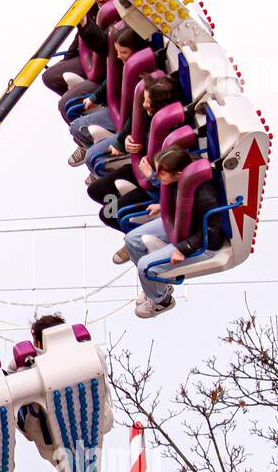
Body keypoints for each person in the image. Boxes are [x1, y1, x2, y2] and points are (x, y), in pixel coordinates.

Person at [122, 148, 226, 319]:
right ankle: (159, 287)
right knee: (132, 239)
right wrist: (163, 206)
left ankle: (162, 300)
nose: (158, 177)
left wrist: (183, 248)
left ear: (178, 174)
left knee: (145, 266)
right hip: (180, 223)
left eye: (161, 175)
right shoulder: (184, 172)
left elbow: (211, 231)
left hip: (202, 243)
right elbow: (178, 196)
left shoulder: (205, 194)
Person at [87, 75, 184, 238]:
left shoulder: (176, 136)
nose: (144, 104)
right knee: (96, 190)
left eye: (148, 102)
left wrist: (152, 176)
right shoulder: (148, 113)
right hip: (139, 170)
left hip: (156, 186)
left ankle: (133, 232)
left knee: (108, 215)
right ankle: (122, 199)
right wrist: (126, 141)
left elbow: (176, 184)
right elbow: (136, 122)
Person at [65, 28, 151, 167]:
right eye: (117, 51)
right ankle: (99, 145)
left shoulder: (146, 77)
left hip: (133, 126)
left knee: (92, 158)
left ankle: (112, 157)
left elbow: (138, 114)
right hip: (120, 113)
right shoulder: (127, 66)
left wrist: (120, 142)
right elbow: (113, 79)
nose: (118, 56)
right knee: (76, 127)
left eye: (123, 52)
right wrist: (95, 97)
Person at [44, 0, 114, 97]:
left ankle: (91, 99)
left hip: (104, 65)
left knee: (64, 104)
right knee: (49, 77)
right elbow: (78, 39)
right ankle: (79, 94)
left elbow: (103, 45)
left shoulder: (116, 14)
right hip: (90, 57)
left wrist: (85, 24)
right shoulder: (93, 8)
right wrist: (66, 59)